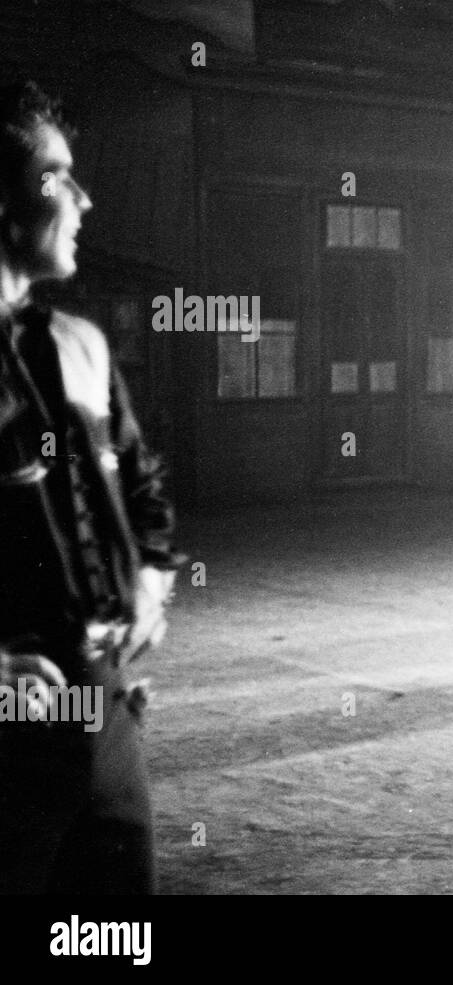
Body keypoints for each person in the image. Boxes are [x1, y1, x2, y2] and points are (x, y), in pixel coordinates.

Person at [0, 80, 183, 893]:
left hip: (100, 705)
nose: (84, 197)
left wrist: (149, 572)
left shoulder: (79, 346)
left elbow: (142, 486)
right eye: (58, 175)